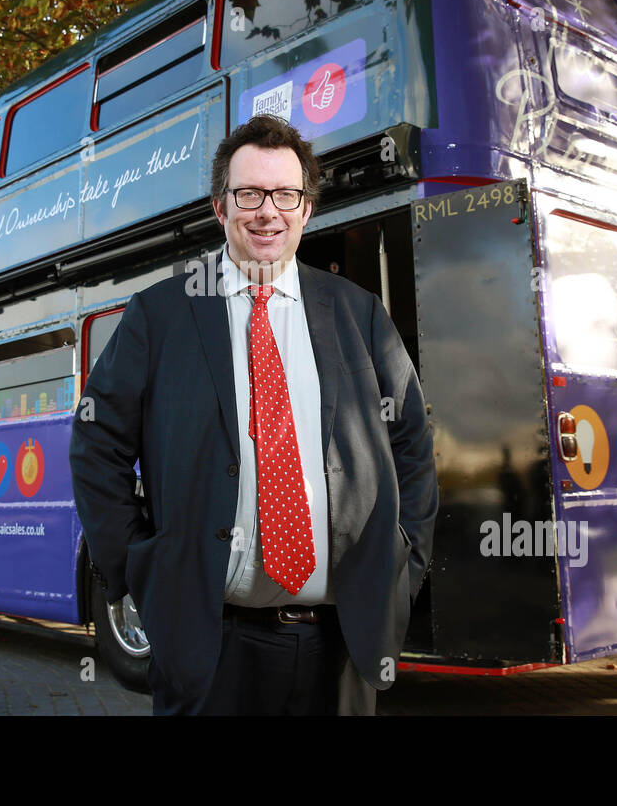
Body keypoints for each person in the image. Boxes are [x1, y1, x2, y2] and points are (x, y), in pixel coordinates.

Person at [70, 114, 438, 715]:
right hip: (211, 646)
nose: (268, 211)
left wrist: (403, 564)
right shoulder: (160, 315)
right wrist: (140, 567)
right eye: (249, 194)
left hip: (342, 646)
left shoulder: (359, 314)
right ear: (221, 207)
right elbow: (95, 442)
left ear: (307, 209)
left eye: (285, 194)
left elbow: (414, 449)